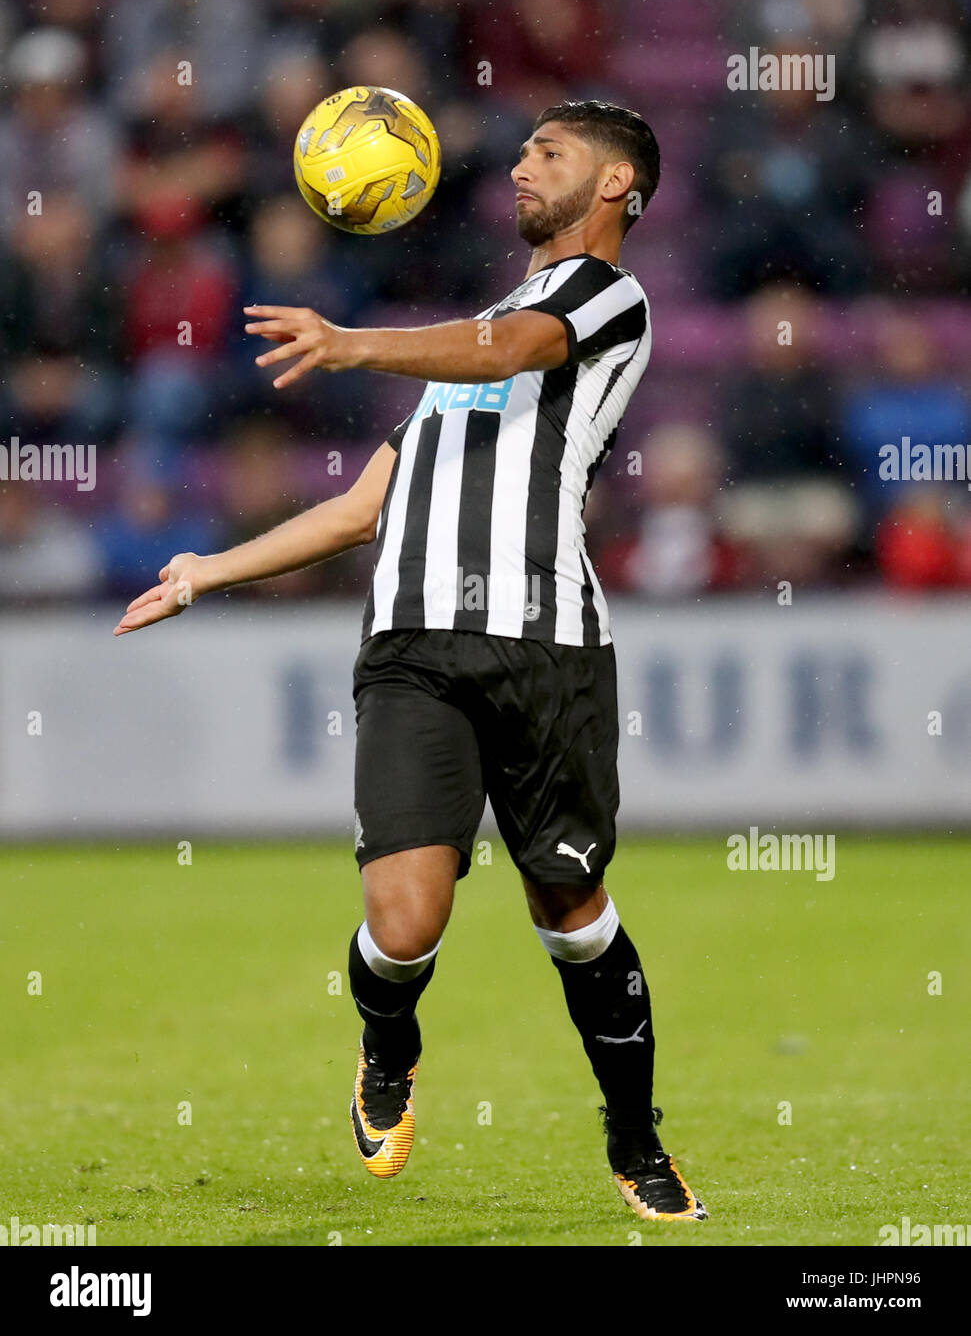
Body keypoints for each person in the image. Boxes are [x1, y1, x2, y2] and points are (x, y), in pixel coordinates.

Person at [114, 99, 707, 1224]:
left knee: (570, 905)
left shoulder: (598, 300)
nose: (522, 167)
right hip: (413, 648)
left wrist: (351, 342)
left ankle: (632, 1138)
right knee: (401, 924)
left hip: (549, 648)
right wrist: (208, 568)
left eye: (550, 153)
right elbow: (355, 510)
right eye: (523, 151)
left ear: (618, 181)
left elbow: (516, 346)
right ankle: (388, 1050)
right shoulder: (468, 342)